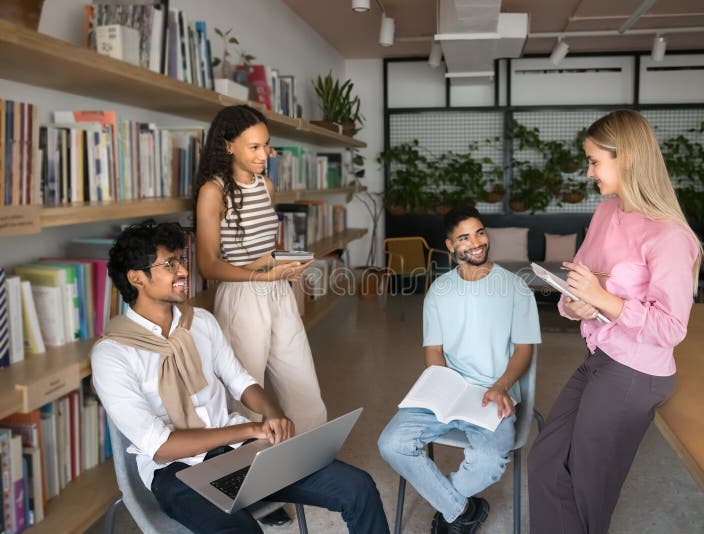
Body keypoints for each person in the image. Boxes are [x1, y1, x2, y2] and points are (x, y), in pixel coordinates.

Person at [91, 221, 389, 534]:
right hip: (176, 473)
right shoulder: (112, 354)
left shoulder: (201, 322)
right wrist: (248, 428)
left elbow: (241, 381)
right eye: (170, 264)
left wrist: (273, 413)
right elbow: (161, 446)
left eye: (181, 260)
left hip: (241, 453)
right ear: (137, 277)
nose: (182, 271)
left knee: (356, 486)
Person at [526, 110, 702, 534]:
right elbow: (578, 285)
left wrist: (605, 301)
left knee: (590, 481)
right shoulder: (606, 213)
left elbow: (671, 328)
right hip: (600, 357)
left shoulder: (670, 236)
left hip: (637, 371)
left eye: (594, 161)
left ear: (626, 159)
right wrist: (577, 305)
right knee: (545, 461)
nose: (588, 173)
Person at [193, 105, 327, 525]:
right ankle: (253, 497)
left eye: (266, 145)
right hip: (240, 297)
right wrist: (261, 274)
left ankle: (302, 474)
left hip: (277, 293)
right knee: (246, 401)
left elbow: (268, 246)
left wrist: (290, 271)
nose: (263, 154)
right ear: (228, 145)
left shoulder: (266, 186)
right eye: (254, 146)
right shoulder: (213, 191)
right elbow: (209, 265)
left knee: (303, 389)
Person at [378, 206, 541, 534]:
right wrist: (442, 391)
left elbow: (524, 350)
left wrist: (501, 386)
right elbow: (434, 352)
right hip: (449, 392)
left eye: (480, 232)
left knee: (488, 462)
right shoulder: (439, 291)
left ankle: (449, 507)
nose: (477, 242)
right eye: (464, 237)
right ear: (450, 246)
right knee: (391, 443)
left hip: (495, 395)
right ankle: (464, 509)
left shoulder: (515, 288)